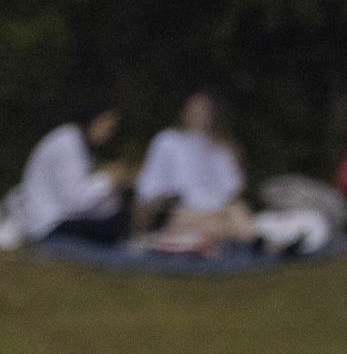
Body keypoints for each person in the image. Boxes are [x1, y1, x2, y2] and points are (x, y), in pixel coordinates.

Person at [134, 91, 255, 244]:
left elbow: (232, 187)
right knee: (216, 226)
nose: (200, 115)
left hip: (219, 211)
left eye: (205, 110)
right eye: (195, 109)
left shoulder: (219, 146)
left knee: (242, 221)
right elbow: (149, 186)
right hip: (182, 210)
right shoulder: (168, 140)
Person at [9, 99, 131, 245]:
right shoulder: (68, 143)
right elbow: (75, 202)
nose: (109, 133)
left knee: (115, 215)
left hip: (56, 219)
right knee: (117, 223)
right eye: (108, 126)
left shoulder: (77, 143)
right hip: (49, 224)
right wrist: (108, 180)